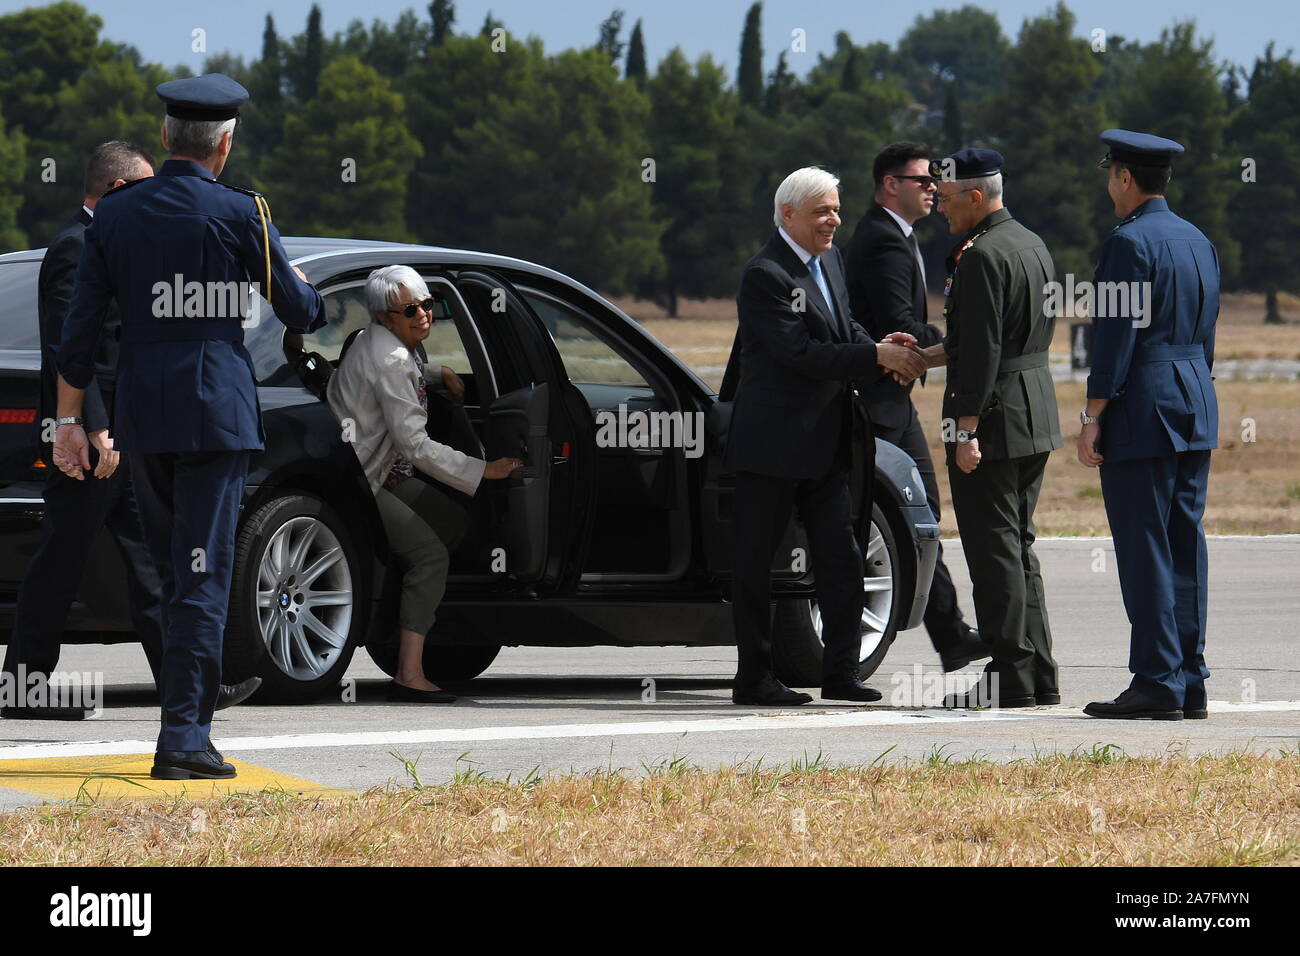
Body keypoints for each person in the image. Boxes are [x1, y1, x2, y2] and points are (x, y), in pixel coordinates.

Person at [52, 74, 327, 779]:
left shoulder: (114, 215)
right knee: (203, 573)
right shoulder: (243, 211)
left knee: (178, 572)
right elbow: (298, 308)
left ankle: (184, 724)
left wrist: (68, 421)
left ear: (169, 138)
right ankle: (182, 738)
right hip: (215, 419)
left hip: (144, 418)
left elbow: (79, 335)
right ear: (224, 145)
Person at [2, 142, 261, 721]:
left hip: (126, 434)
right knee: (62, 555)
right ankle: (22, 686)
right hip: (98, 437)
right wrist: (91, 426)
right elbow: (71, 346)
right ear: (119, 192)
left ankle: (187, 688)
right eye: (145, 187)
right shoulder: (76, 246)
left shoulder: (107, 241)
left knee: (149, 563)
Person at [723, 166, 928, 707]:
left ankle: (841, 672)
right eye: (822, 211)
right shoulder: (764, 274)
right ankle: (755, 678)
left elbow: (844, 329)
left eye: (836, 208)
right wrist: (874, 357)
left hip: (829, 443)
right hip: (772, 447)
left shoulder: (831, 260)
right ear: (788, 215)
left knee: (842, 557)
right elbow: (801, 355)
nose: (834, 219)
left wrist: (882, 346)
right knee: (756, 563)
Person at [326, 266, 521, 704]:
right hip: (365, 482)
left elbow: (403, 373)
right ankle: (409, 672)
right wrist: (482, 470)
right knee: (430, 555)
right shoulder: (393, 360)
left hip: (364, 469)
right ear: (385, 317)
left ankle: (408, 609)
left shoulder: (372, 341)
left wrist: (439, 374)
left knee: (452, 522)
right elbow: (414, 446)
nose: (423, 315)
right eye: (409, 309)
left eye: (428, 304)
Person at [910, 149, 1062, 709]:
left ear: (976, 197)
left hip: (991, 419)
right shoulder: (1030, 243)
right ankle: (1038, 675)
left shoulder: (978, 257)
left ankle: (1010, 677)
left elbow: (982, 352)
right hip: (1033, 412)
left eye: (947, 200)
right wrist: (926, 357)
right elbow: (996, 336)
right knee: (1019, 548)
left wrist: (965, 429)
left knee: (993, 551)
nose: (940, 210)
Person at [1080, 130, 1219, 721]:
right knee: (1185, 544)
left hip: (1143, 406)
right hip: (1194, 400)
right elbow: (1206, 335)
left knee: (1145, 549)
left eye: (1110, 173)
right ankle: (1190, 678)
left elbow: (1114, 340)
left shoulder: (1128, 245)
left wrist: (1093, 413)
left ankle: (1157, 681)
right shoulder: (1198, 240)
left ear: (1125, 178)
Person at [843, 141, 987, 673]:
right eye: (922, 179)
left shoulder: (894, 237)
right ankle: (947, 634)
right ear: (889, 184)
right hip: (879, 403)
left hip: (890, 400)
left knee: (919, 512)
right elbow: (896, 325)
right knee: (911, 512)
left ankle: (951, 634)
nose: (932, 188)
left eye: (934, 182)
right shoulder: (883, 240)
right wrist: (959, 334)